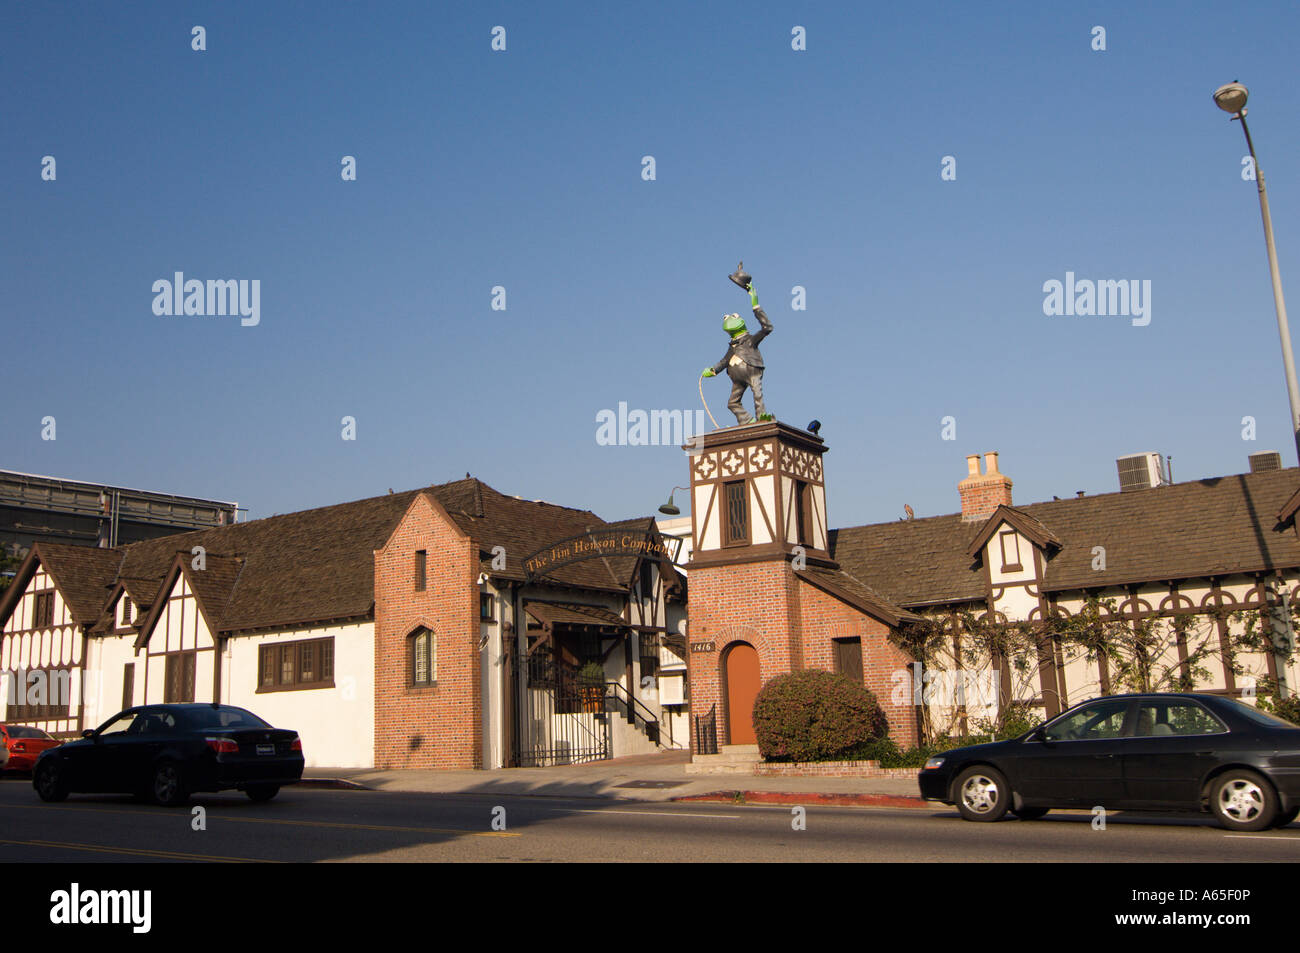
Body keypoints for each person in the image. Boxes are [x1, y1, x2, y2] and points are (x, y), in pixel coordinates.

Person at [702, 280, 774, 425]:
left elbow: (767, 328)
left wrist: (755, 305)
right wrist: (713, 370)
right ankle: (747, 421)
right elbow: (724, 361)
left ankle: (762, 419)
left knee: (757, 393)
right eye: (726, 318)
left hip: (752, 369)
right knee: (732, 403)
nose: (728, 318)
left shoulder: (750, 340)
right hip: (737, 378)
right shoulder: (732, 347)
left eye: (733, 316)